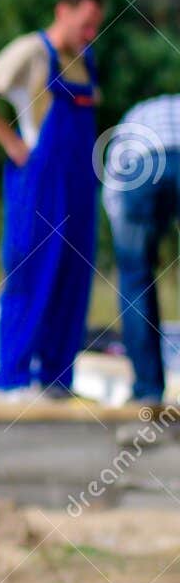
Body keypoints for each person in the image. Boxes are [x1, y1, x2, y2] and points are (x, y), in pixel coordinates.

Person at [0, 0, 105, 398]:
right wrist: (10, 141)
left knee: (73, 277)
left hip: (78, 184)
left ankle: (57, 378)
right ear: (63, 11)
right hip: (41, 180)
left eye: (96, 26)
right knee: (31, 272)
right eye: (85, 23)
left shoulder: (85, 60)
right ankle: (14, 378)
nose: (90, 33)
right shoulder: (31, 51)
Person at [103, 95, 180, 406]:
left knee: (135, 280)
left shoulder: (136, 112)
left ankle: (148, 391)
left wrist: (134, 250)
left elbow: (113, 187)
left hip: (143, 165)